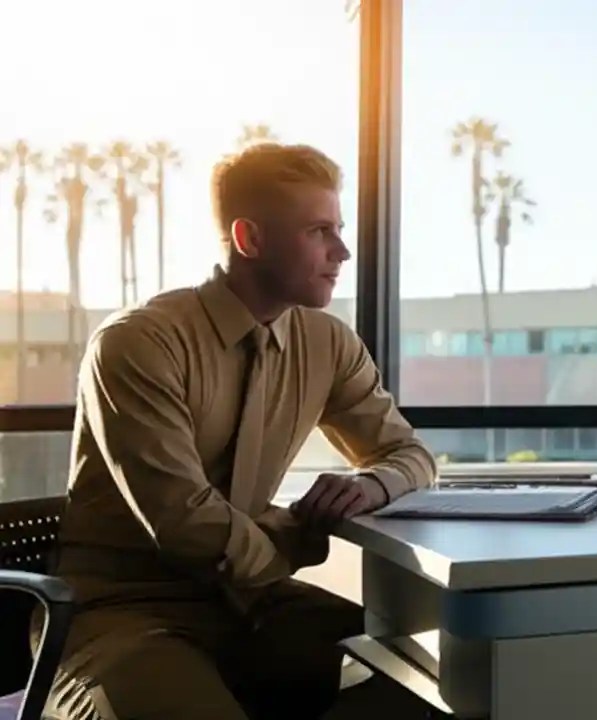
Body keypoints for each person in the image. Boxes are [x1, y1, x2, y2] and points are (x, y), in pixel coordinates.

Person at [41, 143, 437, 719]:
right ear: (249, 239)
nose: (343, 251)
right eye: (319, 231)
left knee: (427, 682)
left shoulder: (327, 343)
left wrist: (372, 484)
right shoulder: (138, 343)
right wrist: (298, 534)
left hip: (254, 604)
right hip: (120, 614)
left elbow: (410, 454)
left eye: (339, 229)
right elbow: (186, 526)